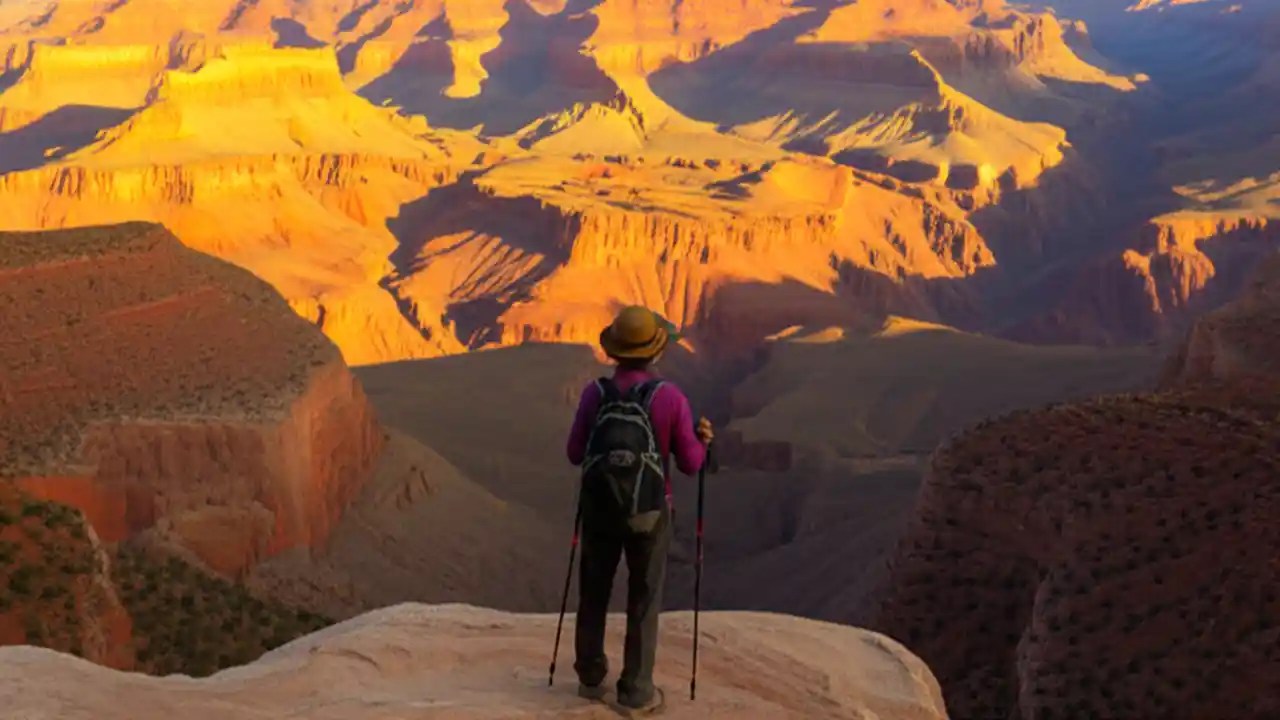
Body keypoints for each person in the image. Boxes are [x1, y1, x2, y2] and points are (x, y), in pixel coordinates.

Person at [565, 305, 714, 714]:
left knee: (593, 593)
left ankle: (591, 678)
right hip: (649, 513)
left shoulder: (594, 393)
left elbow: (575, 453)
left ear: (614, 352)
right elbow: (690, 464)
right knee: (644, 598)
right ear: (654, 352)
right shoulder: (669, 398)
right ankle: (636, 691)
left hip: (598, 511)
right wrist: (704, 441)